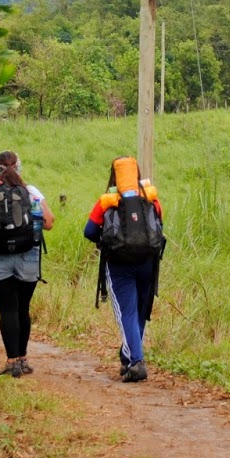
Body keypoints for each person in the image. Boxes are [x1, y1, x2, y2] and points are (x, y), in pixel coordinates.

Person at [0, 150, 54, 378]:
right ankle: (24, 358)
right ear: (19, 168)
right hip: (28, 256)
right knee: (23, 308)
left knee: (7, 309)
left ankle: (12, 362)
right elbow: (48, 222)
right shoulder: (31, 192)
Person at [84, 155, 164, 383]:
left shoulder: (107, 200)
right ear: (137, 173)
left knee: (126, 312)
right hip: (148, 263)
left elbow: (89, 231)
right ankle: (129, 356)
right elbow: (160, 227)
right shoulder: (151, 198)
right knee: (139, 312)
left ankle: (136, 361)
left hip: (119, 265)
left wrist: (105, 240)